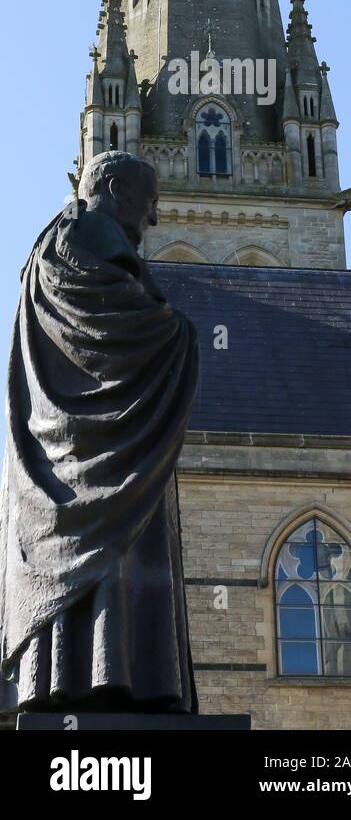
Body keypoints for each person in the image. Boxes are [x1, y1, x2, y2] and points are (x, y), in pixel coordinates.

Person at [0, 151, 199, 716]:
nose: (154, 218)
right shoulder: (87, 238)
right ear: (111, 188)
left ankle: (63, 680)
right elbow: (118, 332)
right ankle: (123, 681)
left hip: (59, 456)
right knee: (116, 554)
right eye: (150, 201)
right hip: (107, 454)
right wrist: (178, 331)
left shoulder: (50, 245)